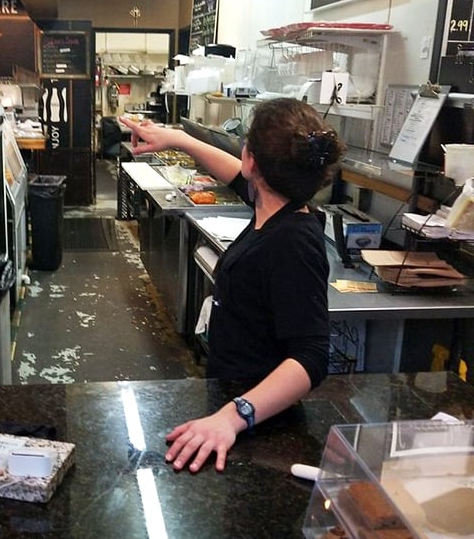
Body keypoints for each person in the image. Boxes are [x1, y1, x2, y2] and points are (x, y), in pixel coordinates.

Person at [120, 98, 344, 474]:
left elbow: (311, 356)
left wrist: (234, 416)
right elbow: (238, 176)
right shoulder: (276, 206)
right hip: (236, 402)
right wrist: (177, 138)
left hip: (261, 422)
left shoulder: (293, 242)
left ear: (252, 159)